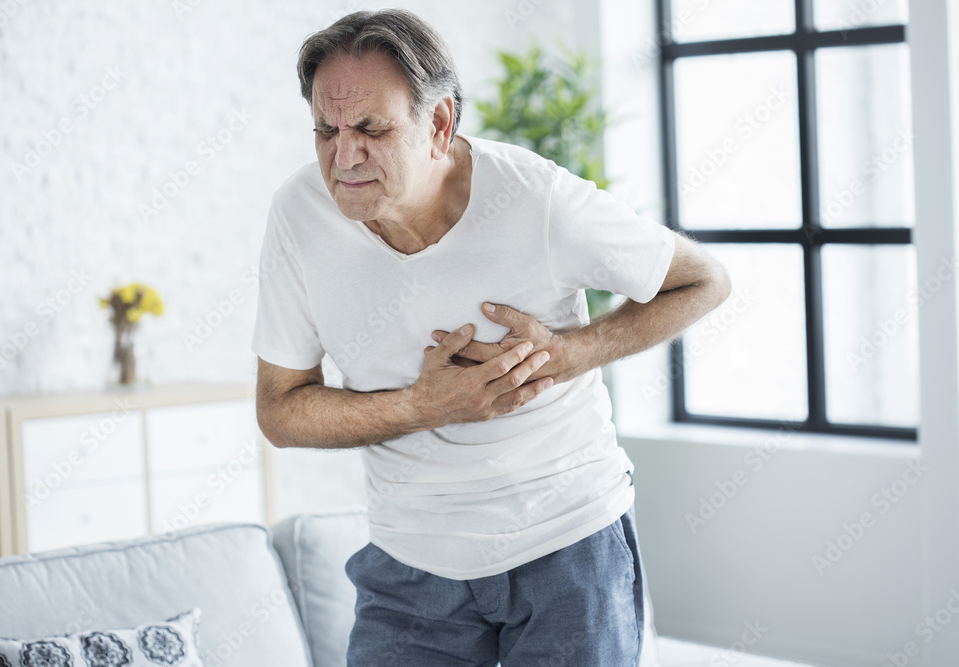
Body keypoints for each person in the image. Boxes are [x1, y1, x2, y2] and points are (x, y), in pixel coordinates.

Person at [252, 8, 730, 666]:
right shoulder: (299, 215)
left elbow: (703, 280)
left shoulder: (537, 200)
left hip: (568, 545)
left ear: (439, 125)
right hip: (409, 563)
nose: (344, 156)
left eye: (371, 129)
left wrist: (569, 353)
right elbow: (280, 407)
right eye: (325, 131)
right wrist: (424, 404)